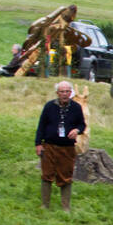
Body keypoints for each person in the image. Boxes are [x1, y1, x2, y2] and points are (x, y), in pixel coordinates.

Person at [34, 80, 86, 211]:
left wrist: (77, 130)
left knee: (66, 176)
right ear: (57, 93)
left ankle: (66, 207)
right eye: (62, 91)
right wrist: (38, 144)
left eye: (67, 91)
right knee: (47, 175)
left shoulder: (76, 107)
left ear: (70, 93)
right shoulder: (49, 106)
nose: (64, 94)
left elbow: (82, 125)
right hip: (49, 146)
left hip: (67, 148)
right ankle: (45, 205)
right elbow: (41, 126)